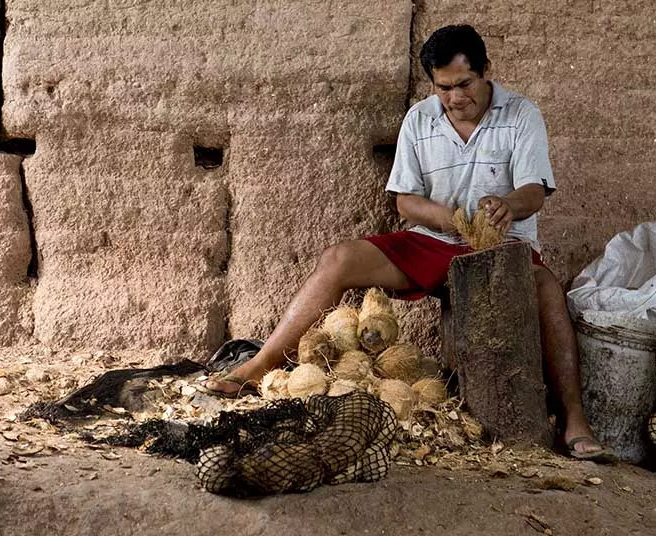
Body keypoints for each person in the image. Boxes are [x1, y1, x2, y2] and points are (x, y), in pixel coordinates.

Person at [204, 24, 613, 461]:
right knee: (339, 258)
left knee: (548, 290)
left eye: (465, 84)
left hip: (500, 249)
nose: (455, 97)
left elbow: (535, 191)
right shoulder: (420, 119)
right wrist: (446, 218)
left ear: (486, 71)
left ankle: (573, 418)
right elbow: (404, 201)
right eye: (444, 88)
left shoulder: (521, 114)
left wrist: (508, 205)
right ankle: (260, 364)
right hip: (433, 243)